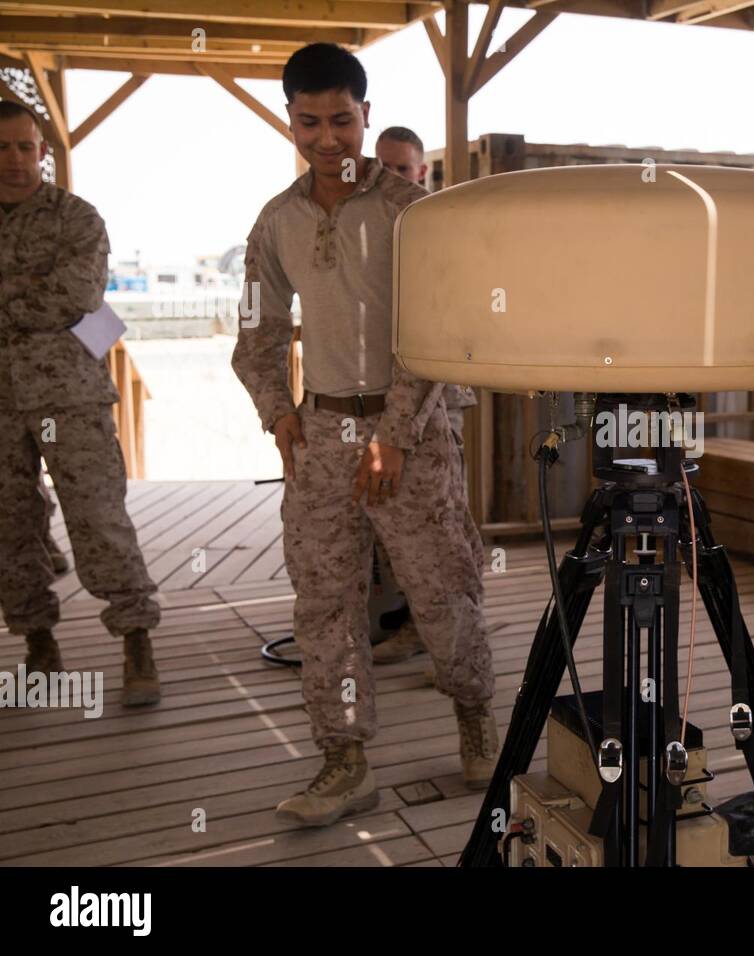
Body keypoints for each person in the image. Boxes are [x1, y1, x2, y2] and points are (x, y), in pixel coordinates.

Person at [232, 43, 498, 828]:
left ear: (365, 116)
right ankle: (343, 760)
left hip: (409, 435)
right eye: (309, 122)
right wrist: (276, 410)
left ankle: (476, 717)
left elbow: (435, 330)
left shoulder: (410, 213)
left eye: (341, 121)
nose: (327, 139)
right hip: (319, 435)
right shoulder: (275, 221)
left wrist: (396, 433)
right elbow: (257, 325)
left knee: (442, 588)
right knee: (323, 602)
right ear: (290, 120)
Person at [0, 100, 162, 706]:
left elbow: (77, 295)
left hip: (68, 394)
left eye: (25, 146)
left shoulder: (78, 219)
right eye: (2, 147)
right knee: (9, 523)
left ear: (43, 151)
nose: (15, 159)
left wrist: (15, 298)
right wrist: (29, 290)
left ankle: (136, 637)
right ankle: (37, 640)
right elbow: (50, 296)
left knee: (98, 517)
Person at [370, 123, 479, 666]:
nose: (390, 177)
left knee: (444, 520)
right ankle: (416, 622)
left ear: (422, 172)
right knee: (391, 513)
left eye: (401, 168)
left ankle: (454, 636)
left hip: (439, 399)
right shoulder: (365, 224)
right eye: (381, 166)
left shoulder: (436, 226)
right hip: (380, 398)